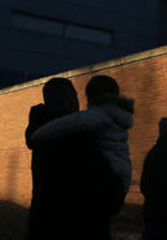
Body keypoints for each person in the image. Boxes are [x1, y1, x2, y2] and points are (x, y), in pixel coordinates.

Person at [28, 74, 134, 240]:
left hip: (46, 224)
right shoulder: (77, 135)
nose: (79, 102)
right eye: (75, 95)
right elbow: (103, 191)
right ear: (68, 99)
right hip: (79, 227)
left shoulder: (47, 133)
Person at [25, 77, 85, 240]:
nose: (77, 99)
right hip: (70, 217)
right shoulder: (74, 130)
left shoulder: (40, 127)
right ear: (67, 97)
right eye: (74, 94)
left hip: (41, 214)